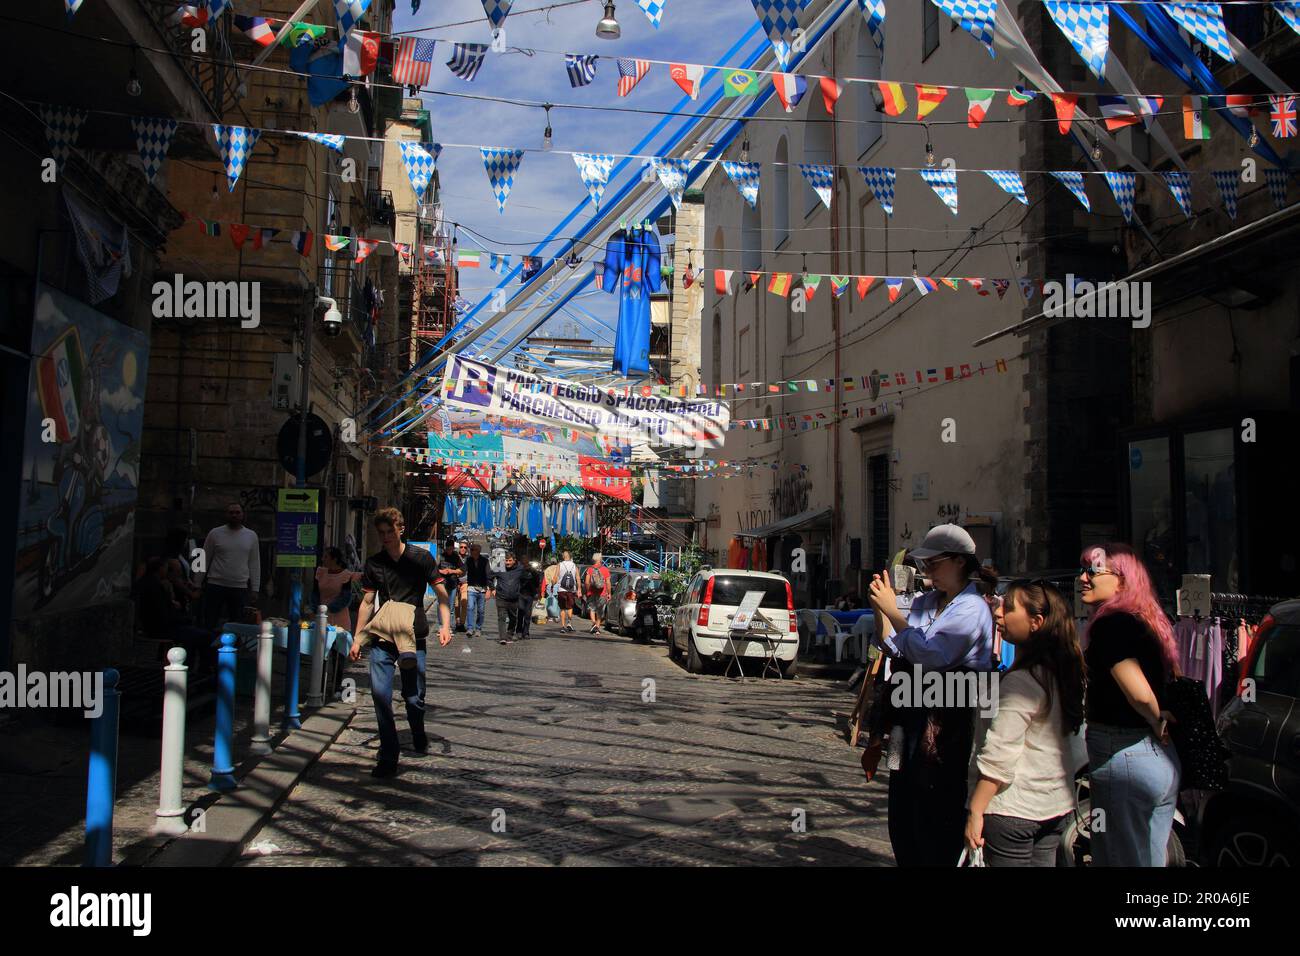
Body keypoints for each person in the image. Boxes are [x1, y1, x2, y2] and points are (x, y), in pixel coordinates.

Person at [867, 524, 997, 867]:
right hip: (910, 715)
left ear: (957, 562)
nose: (927, 573)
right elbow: (893, 645)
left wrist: (893, 612)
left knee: (935, 809)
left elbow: (933, 655)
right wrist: (882, 610)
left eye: (934, 565)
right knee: (903, 808)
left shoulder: (972, 609)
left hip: (946, 720)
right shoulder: (927, 602)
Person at [965, 580, 1087, 866]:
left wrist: (976, 810)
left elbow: (999, 757)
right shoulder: (1065, 672)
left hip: (1013, 810)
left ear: (1036, 622)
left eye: (1008, 607)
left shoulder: (1023, 681)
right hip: (1054, 804)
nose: (998, 612)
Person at [1078, 543, 1180, 866]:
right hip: (1159, 761)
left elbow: (1138, 693)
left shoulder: (1112, 625)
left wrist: (1154, 718)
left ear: (1121, 579)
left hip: (1123, 755)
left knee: (1117, 858)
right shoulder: (1148, 622)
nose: (1083, 578)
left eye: (1093, 571)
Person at [348, 508, 452, 778]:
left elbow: (442, 594)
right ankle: (389, 756)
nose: (385, 537)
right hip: (383, 636)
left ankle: (417, 730)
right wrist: (358, 638)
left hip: (413, 636)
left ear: (400, 529)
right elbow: (367, 603)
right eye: (380, 533)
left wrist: (446, 625)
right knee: (380, 695)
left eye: (389, 532)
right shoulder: (374, 563)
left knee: (414, 697)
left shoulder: (421, 558)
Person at [196, 503, 260, 629]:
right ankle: (207, 647)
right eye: (231, 512)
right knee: (210, 621)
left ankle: (235, 647)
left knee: (237, 624)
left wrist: (255, 588)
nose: (234, 515)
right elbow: (203, 558)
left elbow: (254, 562)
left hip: (239, 586)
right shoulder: (215, 533)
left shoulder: (251, 536)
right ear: (226, 515)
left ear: (243, 515)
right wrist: (197, 584)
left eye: (237, 512)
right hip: (215, 584)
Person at [315, 546, 362, 632]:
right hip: (321, 615)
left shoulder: (345, 575)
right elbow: (315, 592)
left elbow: (345, 597)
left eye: (326, 557)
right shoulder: (321, 573)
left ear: (334, 559)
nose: (323, 559)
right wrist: (315, 607)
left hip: (339, 617)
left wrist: (331, 608)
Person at [489, 551, 524, 644]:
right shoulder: (500, 566)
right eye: (506, 560)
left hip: (514, 598)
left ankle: (509, 634)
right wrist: (492, 588)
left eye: (509, 561)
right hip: (501, 597)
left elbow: (528, 576)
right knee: (501, 617)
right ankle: (503, 638)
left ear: (514, 560)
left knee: (513, 617)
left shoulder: (520, 567)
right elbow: (489, 577)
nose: (507, 563)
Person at [463, 542, 490, 639]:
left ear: (478, 551)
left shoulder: (485, 561)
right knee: (470, 607)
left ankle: (478, 628)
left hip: (482, 589)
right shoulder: (468, 560)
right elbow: (463, 570)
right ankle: (470, 628)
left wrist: (489, 589)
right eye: (471, 550)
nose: (472, 552)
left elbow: (488, 575)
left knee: (481, 611)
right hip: (471, 588)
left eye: (473, 550)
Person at [584, 553, 612, 635]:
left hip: (592, 592)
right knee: (600, 610)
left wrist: (588, 590)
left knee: (592, 608)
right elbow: (608, 583)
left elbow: (586, 582)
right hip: (602, 593)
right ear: (600, 559)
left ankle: (593, 623)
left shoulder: (590, 569)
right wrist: (609, 593)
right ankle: (597, 628)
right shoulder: (605, 570)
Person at [516, 560, 543, 640]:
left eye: (526, 563)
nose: (525, 565)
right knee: (520, 612)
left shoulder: (533, 572)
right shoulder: (519, 571)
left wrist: (538, 593)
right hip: (520, 594)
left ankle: (526, 632)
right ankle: (519, 631)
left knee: (527, 614)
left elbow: (537, 582)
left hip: (529, 595)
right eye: (524, 563)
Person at [555, 550, 580, 633]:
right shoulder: (574, 565)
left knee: (562, 608)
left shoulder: (560, 565)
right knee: (570, 607)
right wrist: (579, 589)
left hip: (561, 589)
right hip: (571, 590)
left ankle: (562, 626)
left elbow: (555, 576)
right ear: (570, 557)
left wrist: (552, 584)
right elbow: (578, 578)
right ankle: (569, 623)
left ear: (563, 557)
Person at [453, 540, 470, 632]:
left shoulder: (469, 558)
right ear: (458, 548)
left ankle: (462, 623)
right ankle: (457, 622)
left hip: (465, 583)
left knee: (464, 602)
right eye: (461, 547)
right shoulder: (454, 557)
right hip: (455, 583)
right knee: (456, 604)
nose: (463, 549)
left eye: (465, 547)